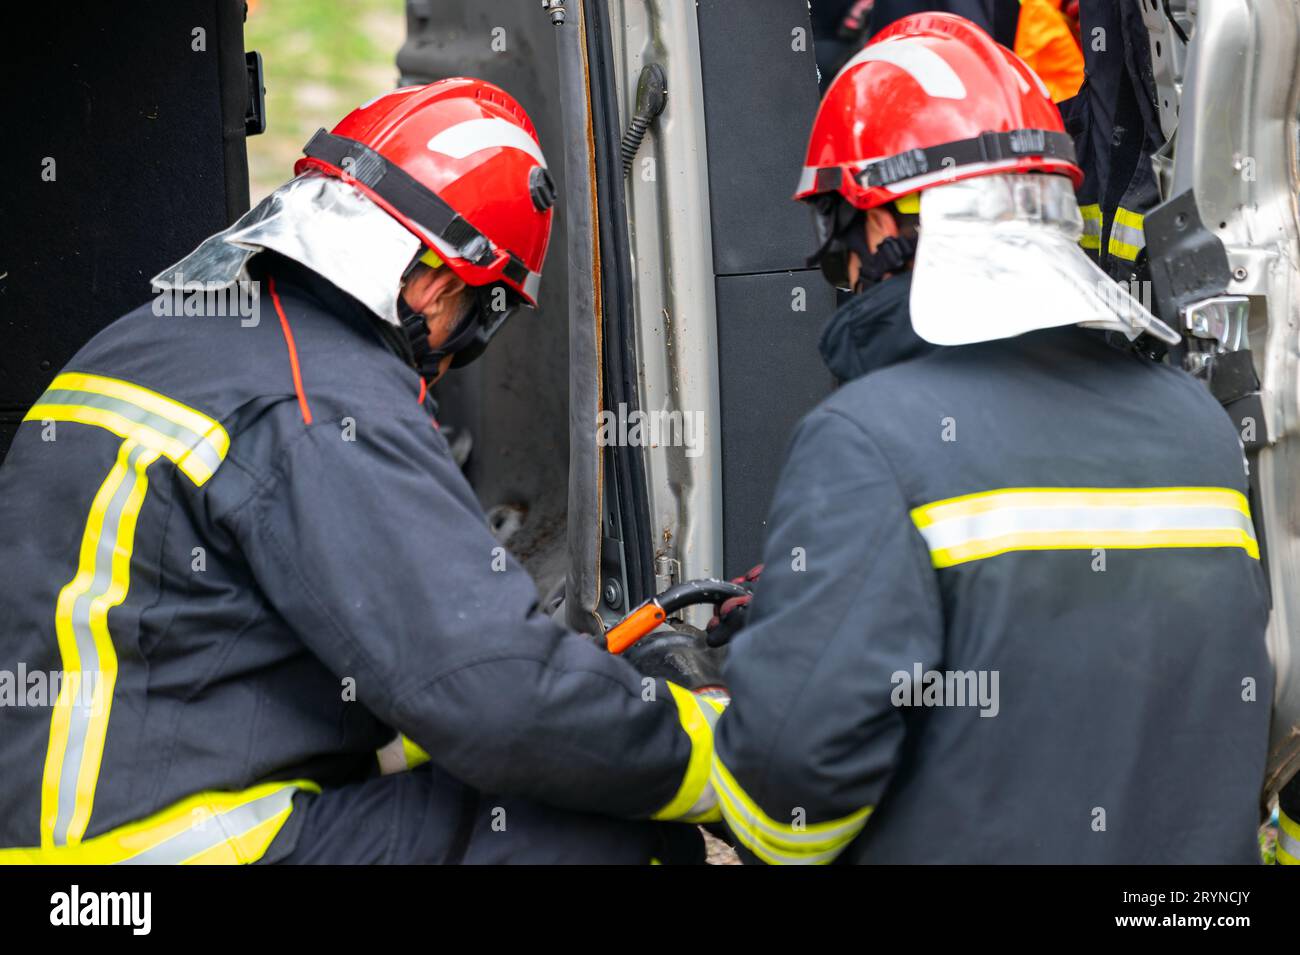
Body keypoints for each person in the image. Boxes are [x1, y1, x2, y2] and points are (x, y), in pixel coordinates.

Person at [0, 79, 721, 865]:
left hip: (59, 843)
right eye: (482, 318)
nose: (456, 354)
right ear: (439, 285)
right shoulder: (324, 398)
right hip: (158, 855)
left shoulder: (152, 340)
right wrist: (716, 755)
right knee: (600, 835)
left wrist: (560, 691)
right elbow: (494, 698)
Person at [709, 13, 1272, 864]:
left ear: (885, 229)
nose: (844, 276)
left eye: (838, 247)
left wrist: (755, 676)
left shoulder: (867, 444)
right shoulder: (1198, 426)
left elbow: (785, 811)